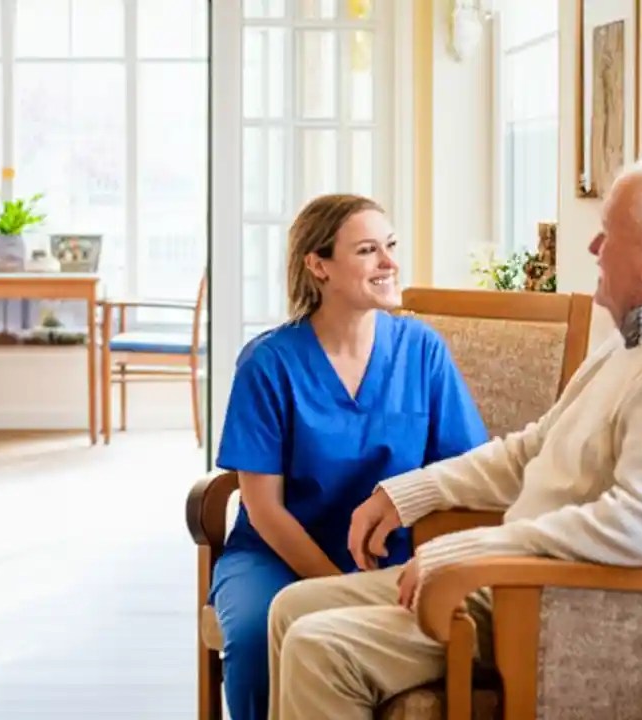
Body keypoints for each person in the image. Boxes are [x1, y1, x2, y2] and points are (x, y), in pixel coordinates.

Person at [265, 158, 642, 718]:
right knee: (291, 607)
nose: (592, 246)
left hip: (579, 608)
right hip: (526, 583)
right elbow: (534, 447)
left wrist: (464, 552)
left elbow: (638, 525)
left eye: (609, 232)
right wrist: (409, 492)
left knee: (320, 648)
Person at [210, 193, 491, 720]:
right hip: (277, 553)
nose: (389, 263)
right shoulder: (268, 363)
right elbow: (265, 510)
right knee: (253, 634)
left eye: (390, 246)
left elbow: (464, 470)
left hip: (396, 555)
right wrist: (337, 587)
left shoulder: (422, 350)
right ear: (318, 266)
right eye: (367, 250)